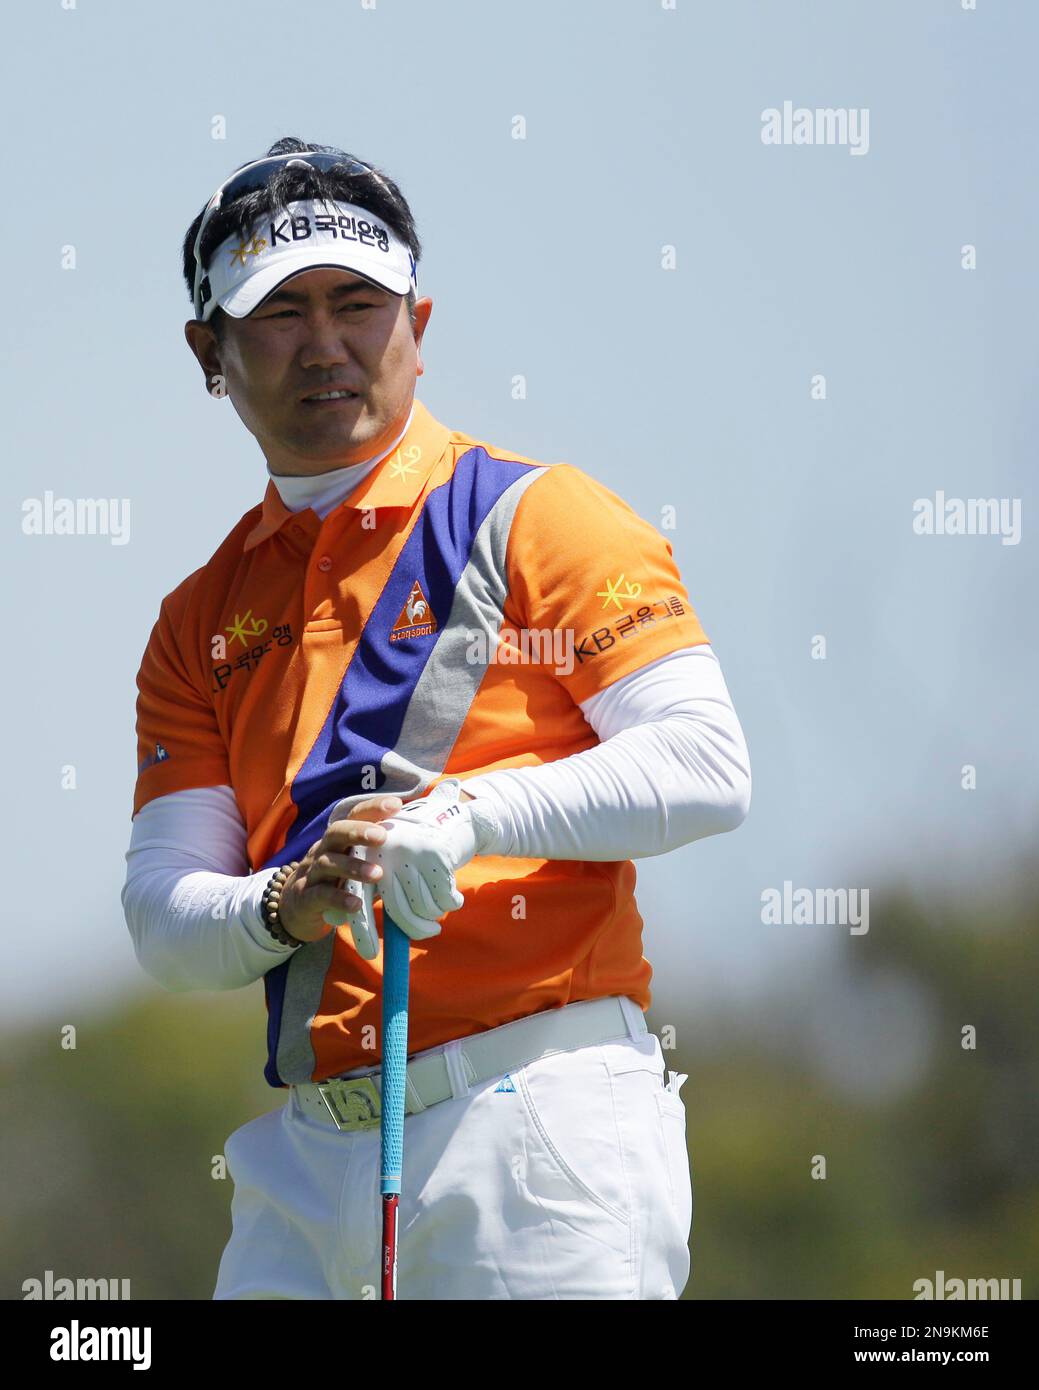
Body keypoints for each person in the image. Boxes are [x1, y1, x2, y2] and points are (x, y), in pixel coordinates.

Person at [122, 136, 752, 1301]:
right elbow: (166, 919)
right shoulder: (198, 616)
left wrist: (464, 816)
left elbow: (707, 762)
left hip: (536, 1124)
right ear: (208, 352)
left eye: (359, 303)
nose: (326, 343)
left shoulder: (539, 513)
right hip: (303, 1160)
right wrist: (282, 900)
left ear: (418, 319)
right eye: (280, 312)